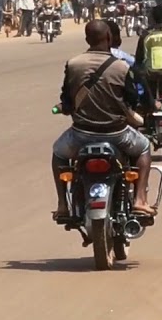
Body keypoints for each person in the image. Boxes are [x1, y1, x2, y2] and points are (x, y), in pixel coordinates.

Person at [52, 20, 156, 219]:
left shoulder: (73, 64)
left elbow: (66, 98)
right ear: (109, 38)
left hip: (81, 134)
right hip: (117, 134)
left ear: (87, 39)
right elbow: (132, 99)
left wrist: (67, 108)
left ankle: (62, 204)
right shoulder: (122, 67)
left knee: (58, 154)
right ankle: (140, 199)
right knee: (143, 148)